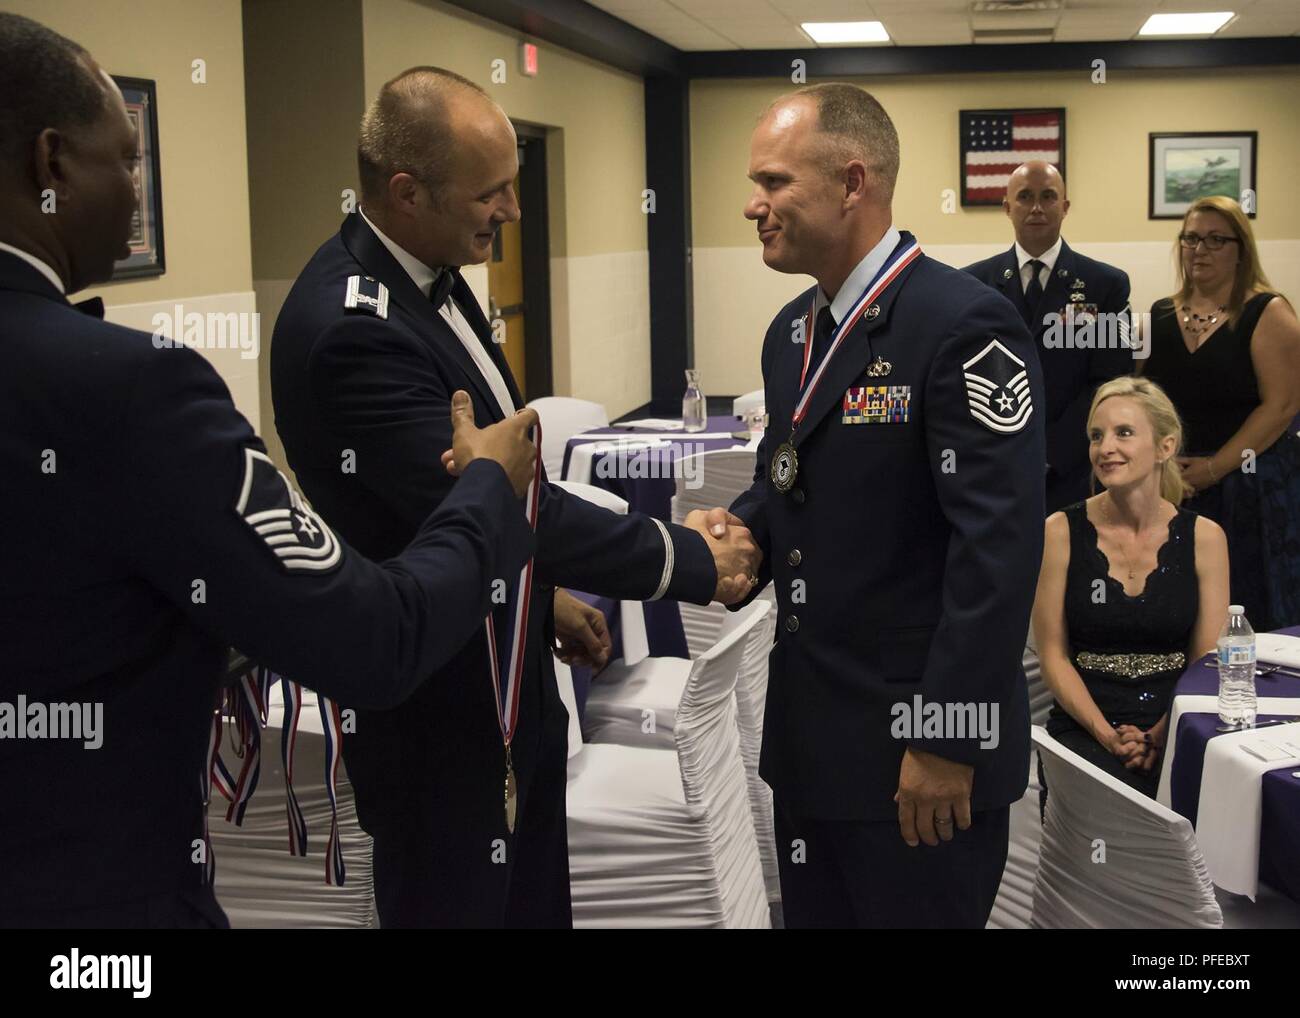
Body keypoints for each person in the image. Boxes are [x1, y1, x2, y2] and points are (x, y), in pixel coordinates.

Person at [0, 14, 543, 928]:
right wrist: (487, 486)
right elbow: (373, 640)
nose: (138, 194)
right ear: (51, 165)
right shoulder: (132, 389)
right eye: (128, 162)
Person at [270, 66, 760, 928]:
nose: (513, 212)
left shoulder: (440, 273)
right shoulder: (351, 334)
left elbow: (496, 493)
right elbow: (499, 502)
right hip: (439, 716)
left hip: (510, 673)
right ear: (406, 191)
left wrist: (545, 602)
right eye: (491, 192)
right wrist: (683, 558)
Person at [699, 83, 1046, 928]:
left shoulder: (965, 324)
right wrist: (740, 525)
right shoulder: (793, 332)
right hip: (816, 737)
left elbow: (996, 551)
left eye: (775, 182)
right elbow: (797, 477)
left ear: (852, 183)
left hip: (918, 755)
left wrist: (946, 738)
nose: (753, 205)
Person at [1032, 377, 1229, 799]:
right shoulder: (1059, 531)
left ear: (1166, 447)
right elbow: (1053, 656)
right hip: (1084, 723)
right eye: (1096, 436)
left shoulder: (1206, 538)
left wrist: (1160, 735)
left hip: (1179, 722)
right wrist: (1107, 736)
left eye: (1123, 433)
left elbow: (1205, 661)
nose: (1105, 449)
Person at [1140, 195, 1300, 632]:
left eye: (1215, 240)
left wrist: (1213, 468)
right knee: (1184, 611)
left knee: (1251, 607)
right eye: (1190, 238)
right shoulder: (1158, 316)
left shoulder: (1268, 312)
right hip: (1177, 487)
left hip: (1253, 488)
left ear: (1240, 249)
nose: (1200, 250)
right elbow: (1143, 402)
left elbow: (1282, 406)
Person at [964, 161, 1132, 514]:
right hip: (996, 465)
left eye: (1048, 197)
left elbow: (1109, 381)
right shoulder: (972, 285)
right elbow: (966, 376)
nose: (1037, 207)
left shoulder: (1104, 286)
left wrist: (1050, 453)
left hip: (1076, 466)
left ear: (1065, 207)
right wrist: (1007, 450)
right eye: (1025, 197)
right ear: (1007, 207)